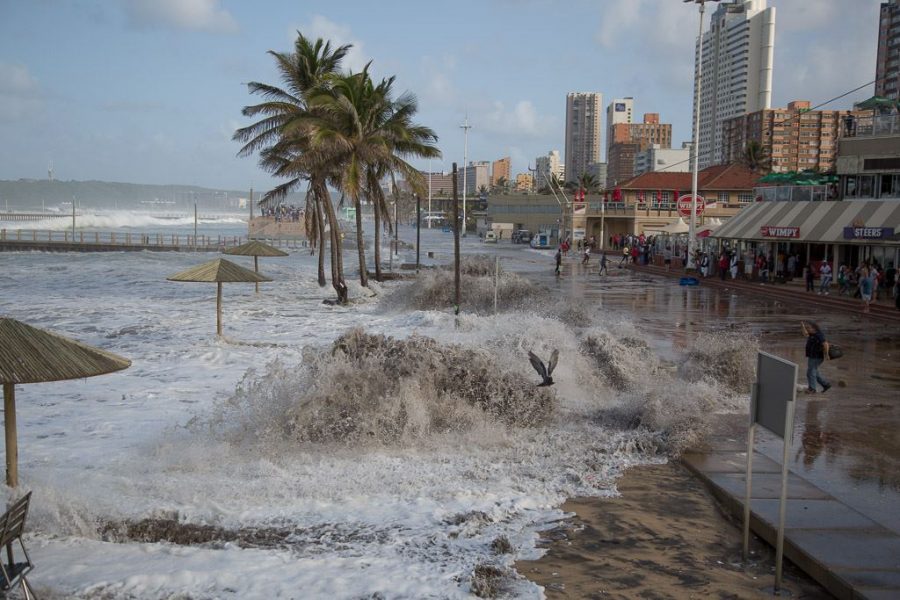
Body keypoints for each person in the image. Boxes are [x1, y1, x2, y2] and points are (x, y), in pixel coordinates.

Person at [801, 321, 831, 394]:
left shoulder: (819, 335)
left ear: (814, 328)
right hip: (812, 356)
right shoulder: (812, 334)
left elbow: (825, 344)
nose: (808, 329)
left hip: (817, 357)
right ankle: (825, 384)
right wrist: (803, 327)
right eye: (807, 328)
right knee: (814, 372)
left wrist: (827, 355)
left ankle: (812, 389)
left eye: (809, 328)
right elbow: (805, 334)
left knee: (811, 372)